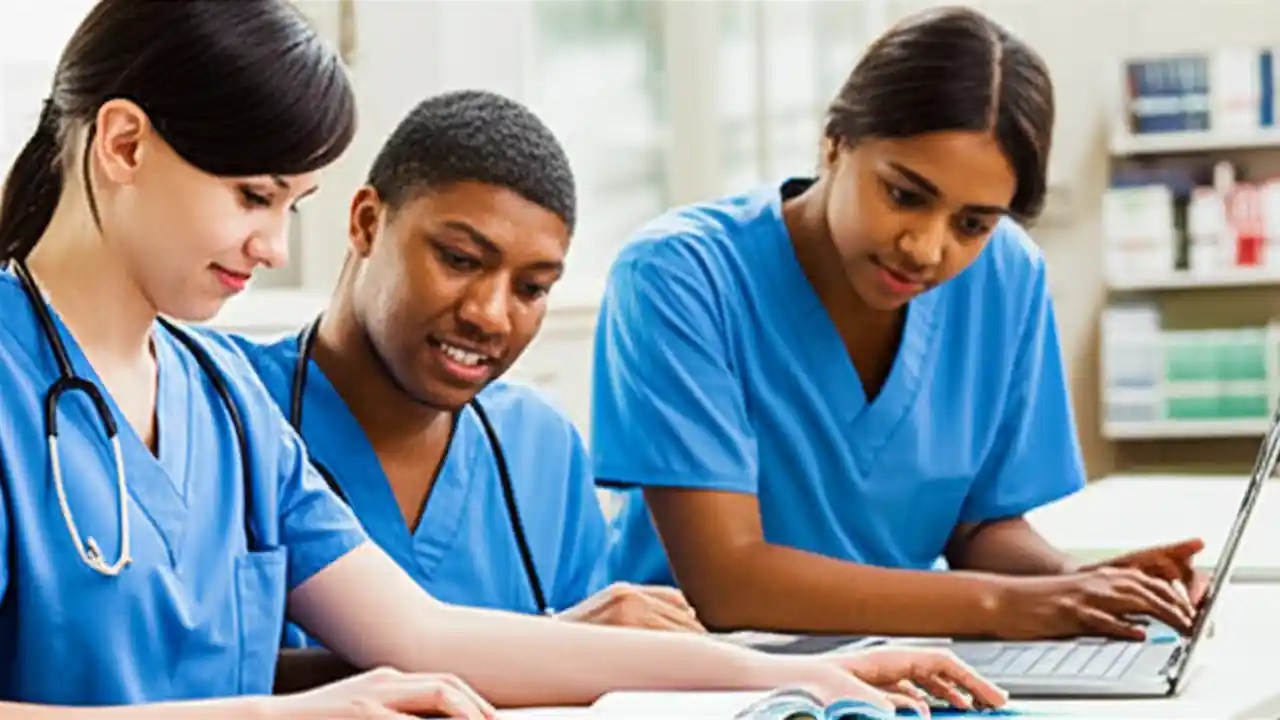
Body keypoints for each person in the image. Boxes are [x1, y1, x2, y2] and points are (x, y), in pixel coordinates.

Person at [0, 1, 1007, 717]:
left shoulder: (222, 402)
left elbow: (427, 635)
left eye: (288, 207)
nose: (271, 246)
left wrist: (792, 678)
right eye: (253, 196)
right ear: (124, 146)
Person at [592, 5, 1210, 642]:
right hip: (699, 675)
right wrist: (1002, 606)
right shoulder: (679, 276)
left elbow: (978, 530)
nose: (926, 248)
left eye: (972, 224)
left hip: (904, 667)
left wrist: (1082, 586)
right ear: (836, 143)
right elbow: (728, 582)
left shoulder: (1005, 276)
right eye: (905, 195)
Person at [236, 89, 703, 645]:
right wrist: (545, 646)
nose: (491, 316)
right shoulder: (226, 414)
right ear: (366, 223)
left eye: (531, 288)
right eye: (459, 260)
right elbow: (188, 683)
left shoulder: (540, 447)